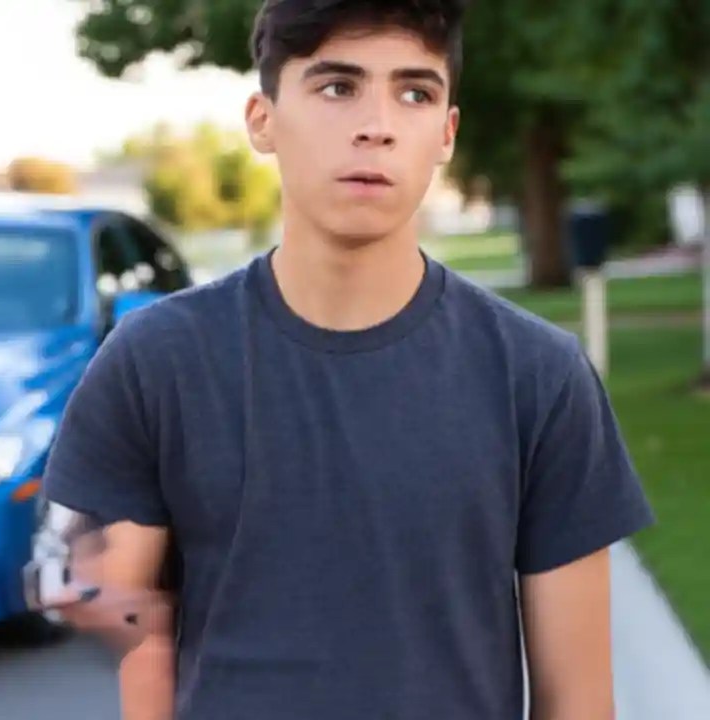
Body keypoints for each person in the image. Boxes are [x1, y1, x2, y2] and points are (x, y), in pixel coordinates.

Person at [37, 1, 657, 718]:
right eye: (337, 86)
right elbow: (137, 642)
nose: (378, 125)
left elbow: (579, 700)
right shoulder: (157, 361)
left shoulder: (539, 376)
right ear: (262, 118)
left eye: (415, 93)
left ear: (446, 133)